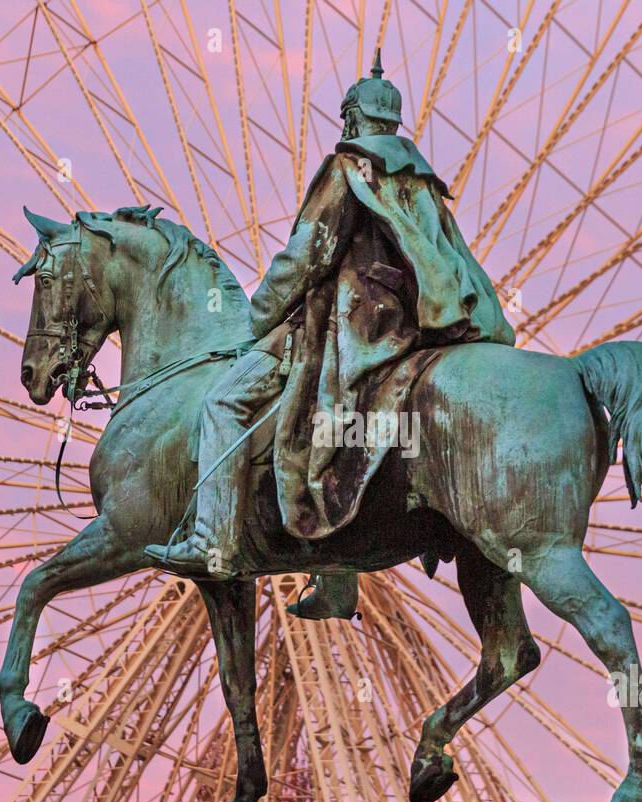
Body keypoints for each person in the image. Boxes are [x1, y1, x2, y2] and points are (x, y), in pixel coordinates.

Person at [146, 51, 515, 620]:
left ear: (350, 118)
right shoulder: (422, 182)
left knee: (227, 402)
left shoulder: (350, 167)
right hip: (419, 330)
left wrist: (257, 319)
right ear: (392, 123)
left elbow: (306, 257)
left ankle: (212, 541)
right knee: (328, 422)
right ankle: (337, 578)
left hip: (357, 328)